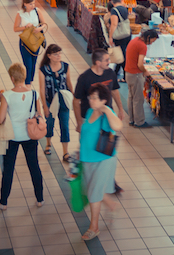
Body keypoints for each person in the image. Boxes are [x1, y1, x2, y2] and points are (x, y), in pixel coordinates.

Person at [0, 63, 45, 211]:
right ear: (24, 76)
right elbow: (39, 114)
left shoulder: (7, 95)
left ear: (12, 78)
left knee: (9, 169)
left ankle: (3, 202)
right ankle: (40, 199)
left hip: (13, 136)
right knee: (34, 166)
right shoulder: (34, 94)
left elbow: (1, 119)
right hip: (30, 135)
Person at [78, 83, 124, 241]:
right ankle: (111, 205)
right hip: (87, 158)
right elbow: (86, 134)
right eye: (90, 97)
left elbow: (118, 126)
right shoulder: (90, 111)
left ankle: (94, 227)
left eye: (95, 98)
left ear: (104, 100)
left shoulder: (106, 114)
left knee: (93, 193)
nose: (91, 100)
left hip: (103, 160)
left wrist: (105, 109)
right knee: (90, 189)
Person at [73, 49, 126, 130]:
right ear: (98, 63)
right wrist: (79, 123)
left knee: (105, 141)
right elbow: (76, 101)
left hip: (106, 116)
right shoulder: (84, 78)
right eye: (106, 60)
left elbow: (114, 91)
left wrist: (121, 109)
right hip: (89, 117)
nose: (109, 62)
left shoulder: (110, 73)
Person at [39, 44, 74, 162]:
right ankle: (48, 143)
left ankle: (65, 152)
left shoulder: (65, 66)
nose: (59, 56)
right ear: (49, 56)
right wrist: (44, 106)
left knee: (65, 125)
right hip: (50, 101)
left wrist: (73, 97)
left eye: (60, 53)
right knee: (49, 124)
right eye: (55, 54)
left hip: (63, 101)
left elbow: (69, 83)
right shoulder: (43, 70)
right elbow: (42, 89)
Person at [125, 30, 159, 128]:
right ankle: (139, 122)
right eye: (152, 41)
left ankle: (132, 119)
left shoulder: (135, 40)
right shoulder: (142, 46)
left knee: (131, 97)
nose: (151, 43)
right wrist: (145, 71)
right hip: (135, 74)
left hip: (128, 73)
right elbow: (140, 64)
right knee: (138, 99)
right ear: (148, 37)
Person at [13, 0, 46, 86]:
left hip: (35, 41)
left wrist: (39, 28)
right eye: (31, 4)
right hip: (25, 42)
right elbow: (15, 28)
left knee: (34, 63)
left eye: (34, 3)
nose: (33, 6)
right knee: (28, 65)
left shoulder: (37, 11)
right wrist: (25, 27)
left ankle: (29, 81)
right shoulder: (20, 14)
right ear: (25, 4)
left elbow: (44, 24)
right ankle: (28, 85)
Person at [106, 0, 131, 82]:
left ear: (112, 2)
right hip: (127, 34)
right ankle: (117, 74)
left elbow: (114, 24)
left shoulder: (114, 10)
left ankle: (123, 75)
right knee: (122, 53)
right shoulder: (125, 9)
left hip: (119, 35)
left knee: (120, 55)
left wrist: (110, 36)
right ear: (121, 0)